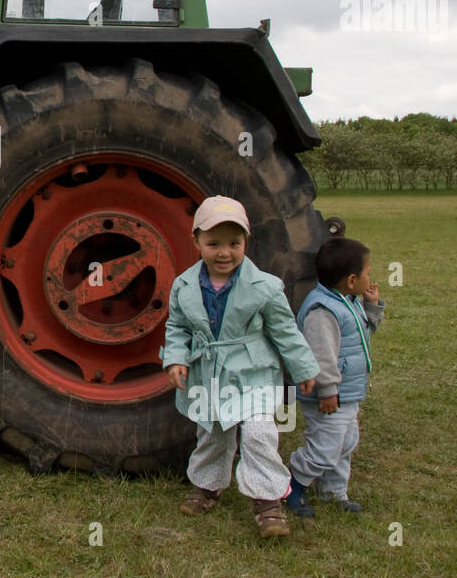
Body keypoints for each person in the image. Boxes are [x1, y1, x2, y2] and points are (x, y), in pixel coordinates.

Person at [160, 196, 321, 538]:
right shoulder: (184, 286)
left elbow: (285, 331)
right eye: (213, 243)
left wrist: (304, 367)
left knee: (260, 433)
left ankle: (268, 502)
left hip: (253, 373)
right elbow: (177, 327)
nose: (224, 253)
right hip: (209, 372)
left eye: (234, 243)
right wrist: (175, 358)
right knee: (212, 432)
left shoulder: (265, 287)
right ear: (196, 242)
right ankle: (208, 486)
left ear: (246, 242)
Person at [287, 236, 384, 517]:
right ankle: (294, 484)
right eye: (368, 272)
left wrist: (373, 307)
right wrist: (328, 389)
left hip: (347, 393)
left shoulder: (347, 301)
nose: (371, 277)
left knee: (345, 442)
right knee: (327, 446)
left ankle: (333, 491)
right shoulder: (323, 311)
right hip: (329, 395)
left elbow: (362, 336)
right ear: (352, 279)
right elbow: (321, 355)